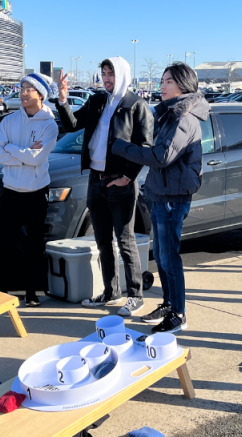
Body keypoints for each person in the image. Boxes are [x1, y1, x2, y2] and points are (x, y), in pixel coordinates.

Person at [112, 62, 209, 333]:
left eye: (168, 81)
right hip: (160, 192)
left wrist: (121, 147)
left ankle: (178, 313)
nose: (162, 86)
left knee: (169, 257)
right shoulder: (168, 114)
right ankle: (169, 303)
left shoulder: (184, 117)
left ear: (183, 84)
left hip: (173, 196)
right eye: (162, 81)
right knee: (163, 256)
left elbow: (162, 156)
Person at [55, 57, 153, 316]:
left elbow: (144, 147)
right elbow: (72, 125)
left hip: (119, 181)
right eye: (104, 73)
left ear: (121, 74)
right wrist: (63, 100)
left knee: (125, 239)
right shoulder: (98, 100)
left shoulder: (136, 105)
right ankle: (111, 292)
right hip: (95, 180)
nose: (106, 78)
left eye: (111, 73)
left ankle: (135, 295)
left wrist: (128, 177)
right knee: (102, 241)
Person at [0, 74, 60, 307]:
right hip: (9, 193)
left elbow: (38, 157)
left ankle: (31, 293)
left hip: (35, 194)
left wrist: (11, 150)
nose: (23, 92)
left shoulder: (49, 125)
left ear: (40, 94)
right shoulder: (10, 121)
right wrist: (22, 152)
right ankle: (1, 293)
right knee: (4, 245)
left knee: (34, 246)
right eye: (21, 88)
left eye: (29, 89)